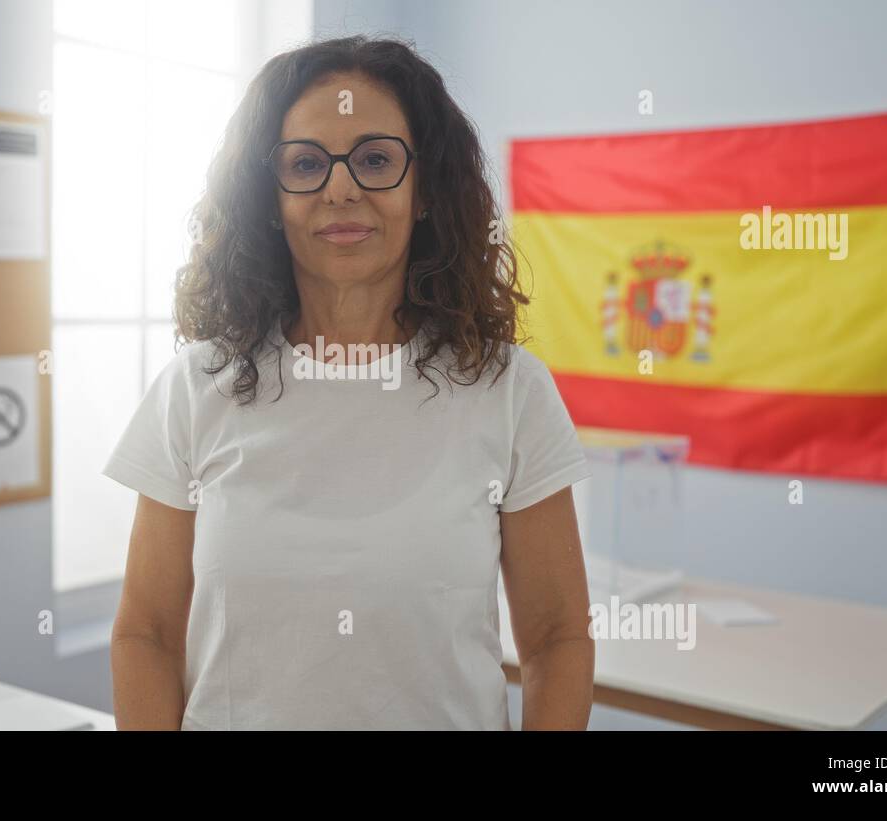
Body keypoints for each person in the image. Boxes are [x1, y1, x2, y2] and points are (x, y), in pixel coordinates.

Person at [104, 35, 594, 730]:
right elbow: (147, 633)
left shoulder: (509, 390)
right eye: (306, 163)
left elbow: (556, 638)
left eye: (374, 159)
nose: (341, 188)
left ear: (426, 191)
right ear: (269, 199)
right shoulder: (196, 388)